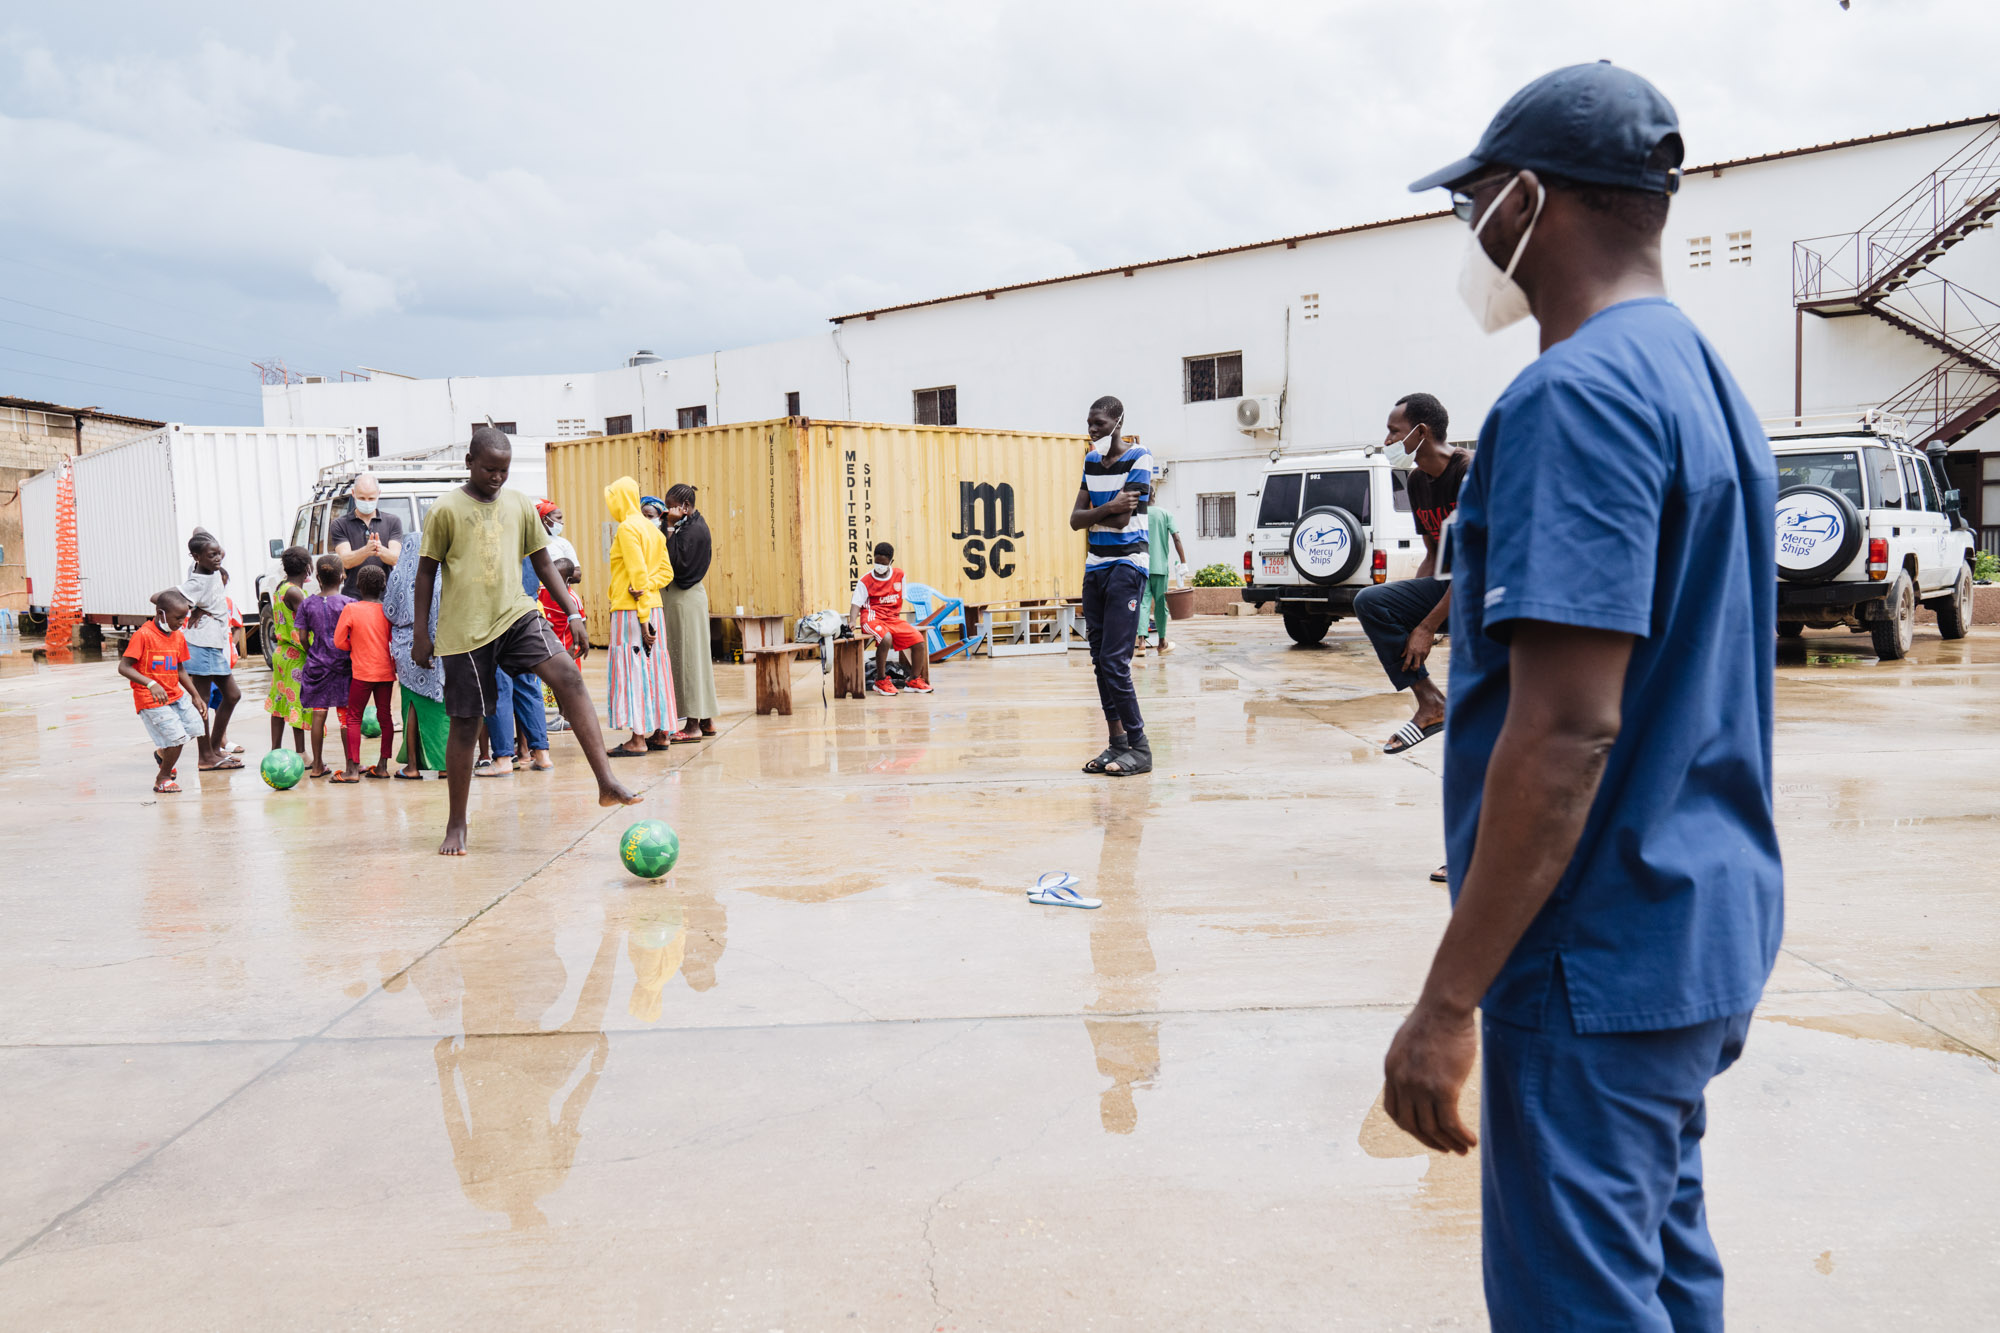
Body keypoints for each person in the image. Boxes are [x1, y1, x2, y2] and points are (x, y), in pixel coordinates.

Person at [1383, 63, 1781, 1333]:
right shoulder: (1707, 385)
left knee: (1579, 1305)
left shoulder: (1574, 396)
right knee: (1659, 1265)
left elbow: (1564, 731)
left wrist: (1445, 1004)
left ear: (1530, 200)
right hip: (1698, 925)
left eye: (1474, 202)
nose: (1470, 230)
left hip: (1590, 950)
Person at [413, 426, 639, 856]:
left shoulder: (519, 505)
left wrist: (572, 611)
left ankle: (606, 781)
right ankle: (457, 823)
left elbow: (543, 560)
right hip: (465, 630)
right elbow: (426, 573)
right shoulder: (445, 510)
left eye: (504, 470)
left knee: (568, 676)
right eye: (489, 469)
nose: (498, 477)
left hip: (516, 613)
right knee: (466, 723)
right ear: (470, 463)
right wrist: (421, 634)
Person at [1353, 392, 1468, 756]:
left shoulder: (1470, 472)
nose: (1386, 441)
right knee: (1373, 602)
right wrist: (1409, 615)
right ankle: (1432, 703)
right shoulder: (1417, 481)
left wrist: (1427, 626)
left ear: (1420, 431)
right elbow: (1434, 555)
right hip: (1455, 585)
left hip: (1493, 586)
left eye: (1393, 431)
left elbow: (1477, 563)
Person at [1070, 395, 1152, 776]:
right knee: (1099, 662)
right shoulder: (1090, 461)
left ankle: (1140, 747)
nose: (1092, 430)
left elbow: (1123, 523)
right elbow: (1075, 519)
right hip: (1095, 567)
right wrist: (1109, 506)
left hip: (1126, 565)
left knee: (1114, 662)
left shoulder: (1140, 459)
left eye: (1099, 424)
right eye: (1089, 423)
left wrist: (1098, 514)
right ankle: (1116, 743)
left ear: (1118, 422)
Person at [603, 476, 678, 756]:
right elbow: (665, 574)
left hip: (632, 612)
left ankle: (636, 740)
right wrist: (648, 590)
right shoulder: (653, 530)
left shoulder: (627, 528)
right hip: (654, 608)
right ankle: (661, 734)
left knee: (633, 669)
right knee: (655, 668)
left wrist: (643, 620)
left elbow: (635, 578)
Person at [118, 589, 207, 794]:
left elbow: (180, 668)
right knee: (177, 738)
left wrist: (195, 695)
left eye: (184, 618)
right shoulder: (144, 635)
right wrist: (150, 683)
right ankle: (163, 778)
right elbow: (124, 667)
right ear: (161, 614)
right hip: (150, 698)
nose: (181, 623)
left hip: (173, 695)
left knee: (195, 727)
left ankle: (162, 754)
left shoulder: (177, 636)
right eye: (177, 618)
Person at [383, 535, 448, 780]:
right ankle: (444, 765)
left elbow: (389, 610)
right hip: (436, 645)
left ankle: (411, 766)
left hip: (405, 649)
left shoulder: (398, 575)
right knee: (441, 706)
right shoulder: (439, 575)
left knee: (410, 707)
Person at [178, 532, 241, 770]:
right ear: (196, 557)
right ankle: (205, 756)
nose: (218, 558)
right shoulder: (196, 581)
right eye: (212, 554)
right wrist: (191, 607)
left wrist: (201, 607)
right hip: (200, 645)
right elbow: (166, 597)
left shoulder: (211, 569)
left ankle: (215, 749)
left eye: (219, 552)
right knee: (202, 701)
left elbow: (198, 530)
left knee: (232, 695)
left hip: (214, 645)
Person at [661, 483, 718, 739]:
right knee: (694, 658)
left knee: (689, 661)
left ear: (683, 507)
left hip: (686, 600)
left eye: (670, 506)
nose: (666, 511)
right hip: (686, 600)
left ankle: (693, 726)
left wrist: (670, 526)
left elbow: (673, 564)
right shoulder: (692, 524)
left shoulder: (692, 531)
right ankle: (706, 720)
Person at [333, 563, 397, 781]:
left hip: (361, 673)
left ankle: (351, 770)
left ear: (358, 585)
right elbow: (392, 641)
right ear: (383, 586)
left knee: (353, 718)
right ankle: (382, 766)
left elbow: (339, 641)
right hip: (385, 674)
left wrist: (355, 646)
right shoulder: (388, 611)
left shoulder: (351, 609)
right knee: (385, 717)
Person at [848, 541, 933, 697]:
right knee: (885, 638)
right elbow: (856, 603)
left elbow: (901, 598)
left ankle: (913, 680)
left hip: (893, 618)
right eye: (877, 562)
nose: (879, 566)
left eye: (883, 563)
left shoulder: (899, 575)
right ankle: (880, 681)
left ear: (891, 562)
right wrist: (852, 621)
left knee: (918, 640)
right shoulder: (865, 581)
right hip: (872, 617)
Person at [296, 554, 354, 779]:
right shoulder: (349, 604)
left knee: (318, 715)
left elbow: (302, 637)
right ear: (343, 576)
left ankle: (318, 765)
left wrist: (312, 651)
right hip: (343, 666)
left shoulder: (307, 604)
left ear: (317, 577)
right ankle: (351, 764)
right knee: (345, 717)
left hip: (316, 666)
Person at [264, 546, 312, 755]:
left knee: (280, 700)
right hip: (296, 654)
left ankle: (275, 750)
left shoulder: (281, 587)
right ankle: (301, 753)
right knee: (295, 703)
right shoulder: (295, 592)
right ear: (308, 567)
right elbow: (309, 623)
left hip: (282, 653)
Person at [331, 471, 403, 596]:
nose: (367, 502)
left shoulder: (393, 521)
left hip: (384, 598)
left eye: (371, 498)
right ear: (353, 493)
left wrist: (379, 549)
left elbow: (395, 559)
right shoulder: (340, 524)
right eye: (362, 498)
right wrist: (366, 550)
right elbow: (346, 560)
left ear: (378, 494)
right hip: (353, 597)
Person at [1136, 485, 1187, 656]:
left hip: (1141, 566)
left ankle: (1141, 642)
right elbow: (1176, 537)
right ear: (1154, 495)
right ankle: (1162, 642)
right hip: (1160, 567)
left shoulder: (1138, 515)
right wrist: (1184, 562)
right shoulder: (1165, 514)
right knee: (1160, 605)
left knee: (1143, 604)